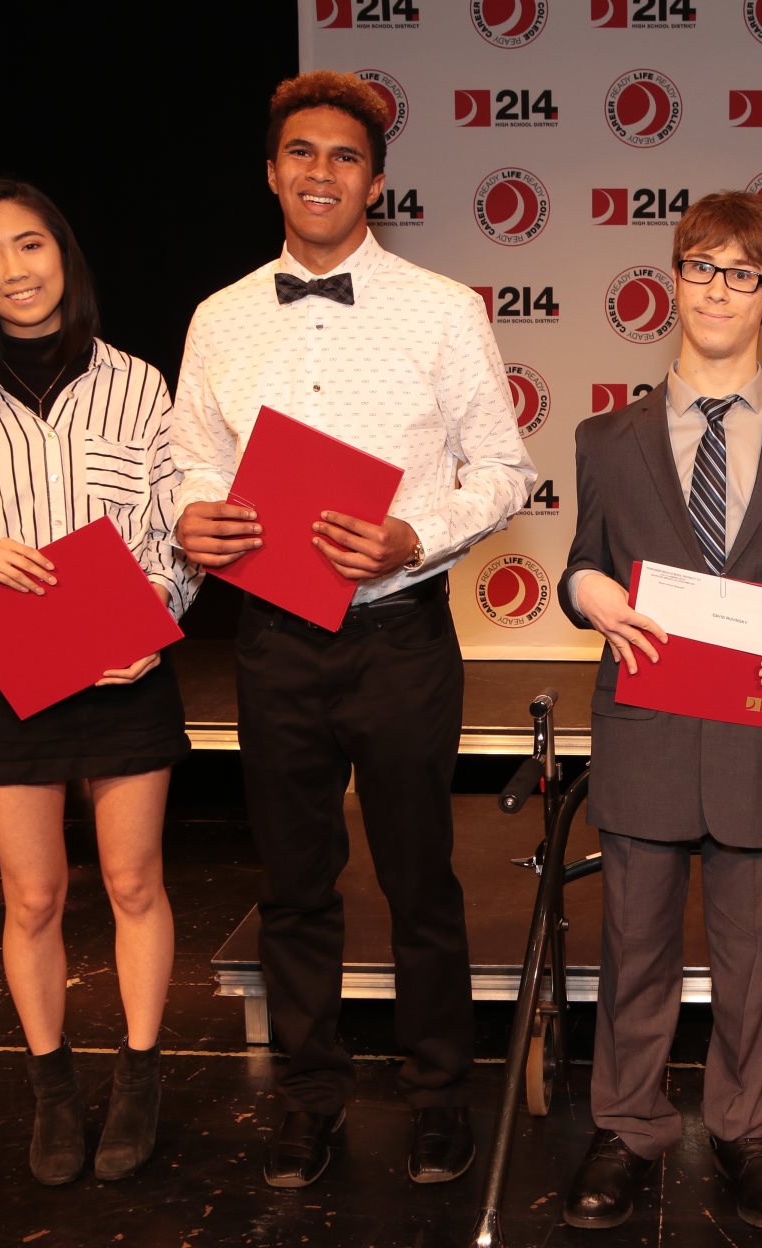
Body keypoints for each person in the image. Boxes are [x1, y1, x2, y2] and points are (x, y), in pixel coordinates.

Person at [168, 71, 534, 1188]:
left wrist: (414, 535)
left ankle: (439, 1097)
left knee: (421, 881)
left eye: (344, 157)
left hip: (399, 637)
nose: (320, 172)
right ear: (270, 172)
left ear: (376, 182)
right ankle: (309, 1100)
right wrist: (190, 514)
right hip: (274, 637)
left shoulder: (443, 308)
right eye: (301, 153)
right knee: (293, 885)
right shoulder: (219, 317)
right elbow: (190, 463)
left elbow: (505, 470)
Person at [557, 192, 762, 1231]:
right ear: (674, 277)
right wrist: (586, 594)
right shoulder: (605, 438)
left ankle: (746, 1128)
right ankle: (627, 1126)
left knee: (752, 959)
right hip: (645, 733)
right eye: (702, 266)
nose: (719, 290)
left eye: (743, 273)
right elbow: (581, 565)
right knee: (633, 951)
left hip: (756, 736)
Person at [0, 178, 198, 1186]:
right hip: (9, 666)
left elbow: (176, 530)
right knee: (31, 896)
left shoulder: (138, 385)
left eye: (30, 245)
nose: (14, 269)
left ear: (65, 256)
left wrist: (154, 617)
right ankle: (54, 1089)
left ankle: (139, 1078)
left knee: (134, 882)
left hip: (123, 663)